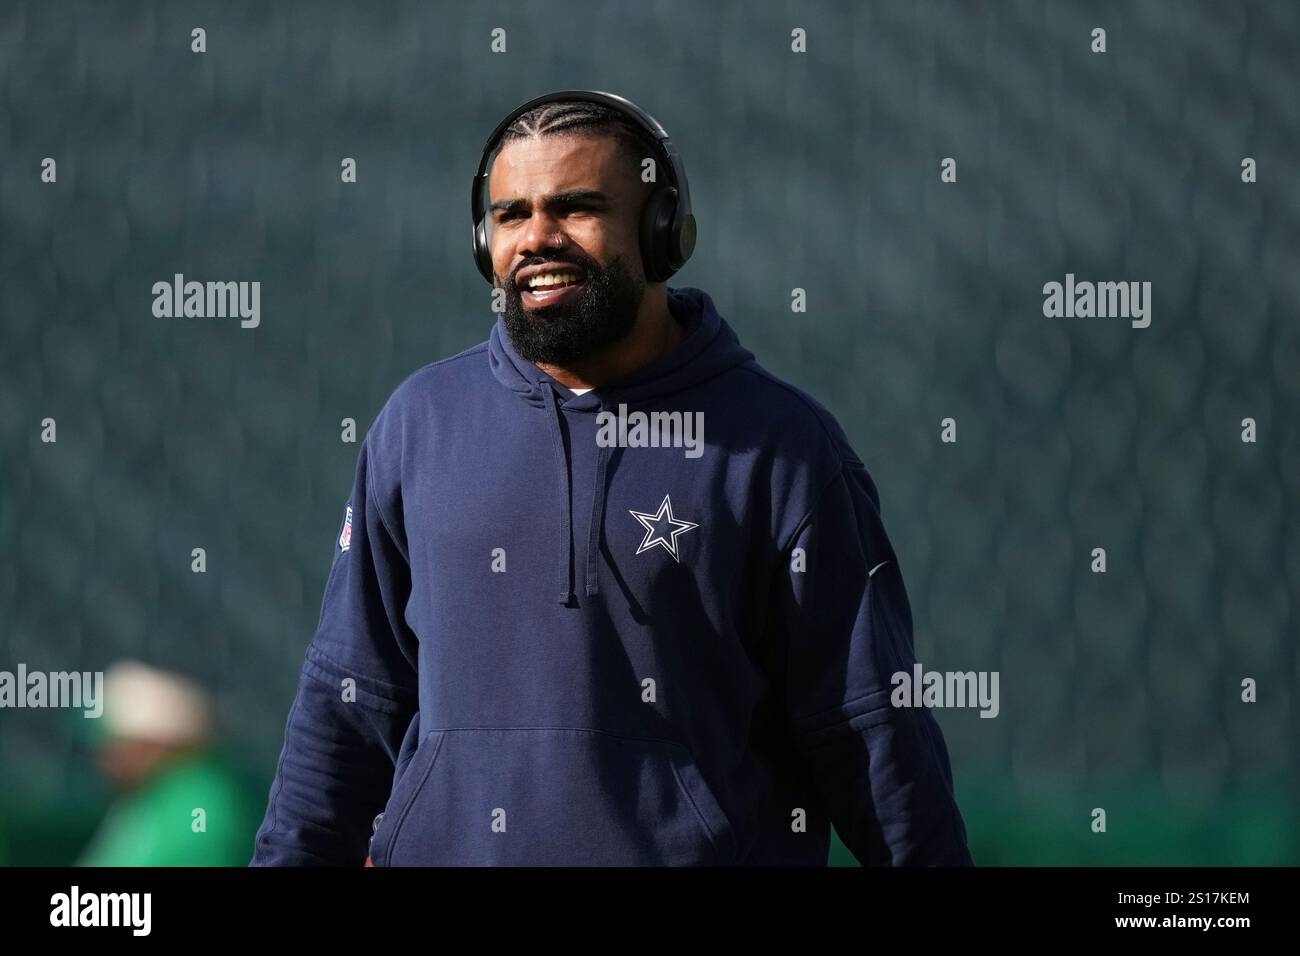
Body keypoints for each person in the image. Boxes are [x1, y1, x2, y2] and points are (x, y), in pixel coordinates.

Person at [251, 91, 974, 866]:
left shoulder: (784, 449)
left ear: (664, 233)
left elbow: (866, 733)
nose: (537, 239)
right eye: (511, 215)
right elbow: (349, 701)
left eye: (576, 208)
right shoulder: (417, 423)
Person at [78, 661, 260, 867]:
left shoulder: (203, 804)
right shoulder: (157, 795)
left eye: (115, 743)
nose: (105, 758)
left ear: (153, 743)